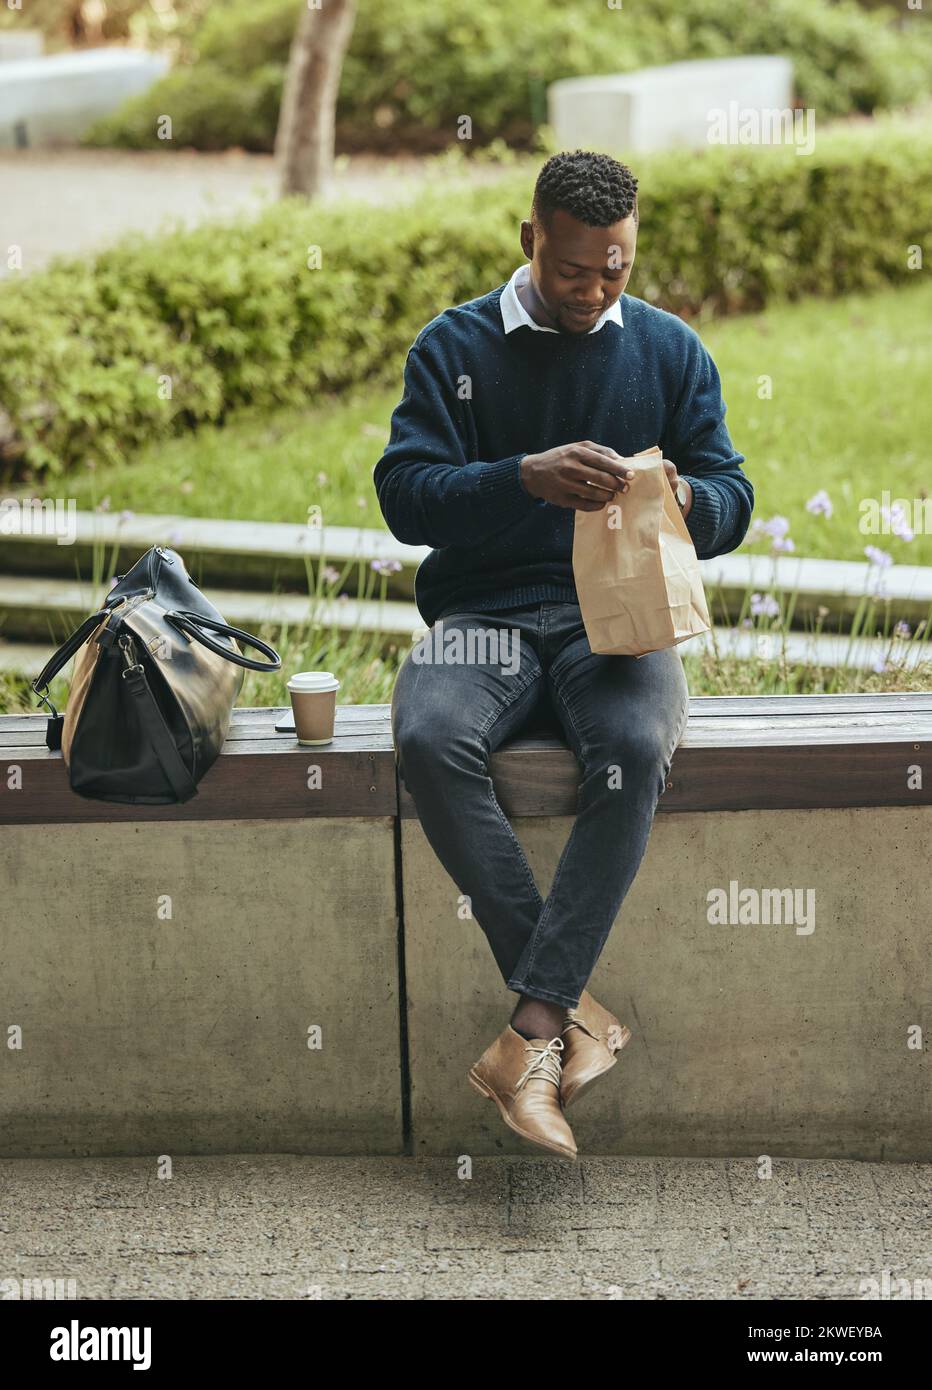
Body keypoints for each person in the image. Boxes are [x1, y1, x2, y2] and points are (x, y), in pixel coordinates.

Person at [374, 149, 753, 1159]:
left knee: (631, 753)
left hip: (614, 622)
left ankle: (532, 1032)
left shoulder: (669, 353)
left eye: (614, 269)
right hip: (482, 613)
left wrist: (687, 498)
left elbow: (731, 494)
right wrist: (520, 478)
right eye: (572, 268)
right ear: (528, 238)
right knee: (427, 737)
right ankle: (568, 1015)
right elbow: (404, 495)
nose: (591, 290)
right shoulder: (451, 347)